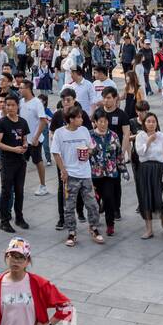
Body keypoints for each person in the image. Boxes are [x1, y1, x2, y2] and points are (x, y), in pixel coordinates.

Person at [50, 103, 104, 246]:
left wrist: (89, 153)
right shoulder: (60, 133)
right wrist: (63, 170)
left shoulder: (84, 130)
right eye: (79, 117)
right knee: (69, 206)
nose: (82, 120)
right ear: (71, 119)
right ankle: (72, 232)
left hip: (85, 174)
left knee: (92, 204)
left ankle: (94, 228)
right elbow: (56, 153)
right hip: (70, 174)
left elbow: (91, 148)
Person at [0, 93, 32, 233]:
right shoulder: (2, 123)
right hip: (7, 162)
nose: (9, 107)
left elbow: (24, 139)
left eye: (12, 105)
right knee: (6, 191)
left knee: (20, 191)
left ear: (18, 106)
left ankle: (19, 218)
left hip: (20, 162)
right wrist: (13, 149)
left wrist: (25, 145)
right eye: (7, 105)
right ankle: (4, 221)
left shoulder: (22, 122)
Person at [135, 111, 163, 239]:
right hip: (145, 170)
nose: (151, 124)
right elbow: (140, 153)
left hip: (159, 169)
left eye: (153, 121)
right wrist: (148, 141)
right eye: (148, 121)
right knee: (145, 198)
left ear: (157, 123)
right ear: (144, 123)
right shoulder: (140, 136)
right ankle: (149, 229)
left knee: (160, 196)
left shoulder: (162, 136)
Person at [88, 107, 124, 236]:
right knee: (94, 201)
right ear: (95, 122)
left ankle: (110, 224)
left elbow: (119, 154)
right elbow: (84, 156)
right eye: (100, 121)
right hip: (94, 174)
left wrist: (123, 169)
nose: (103, 124)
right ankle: (93, 224)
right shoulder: (89, 136)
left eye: (105, 121)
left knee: (109, 198)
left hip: (110, 173)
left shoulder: (113, 136)